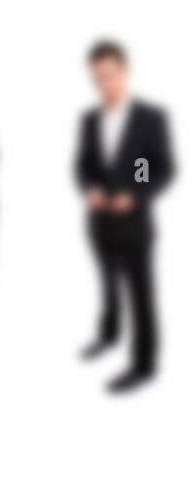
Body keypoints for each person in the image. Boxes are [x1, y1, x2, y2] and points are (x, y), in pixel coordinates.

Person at [75, 40, 175, 394]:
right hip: (100, 223)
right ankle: (109, 334)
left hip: (134, 225)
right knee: (107, 284)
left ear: (125, 71)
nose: (105, 84)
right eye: (98, 78)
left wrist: (136, 192)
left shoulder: (149, 118)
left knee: (140, 295)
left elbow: (158, 168)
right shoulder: (89, 120)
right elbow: (83, 166)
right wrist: (89, 188)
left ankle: (144, 365)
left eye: (111, 75)